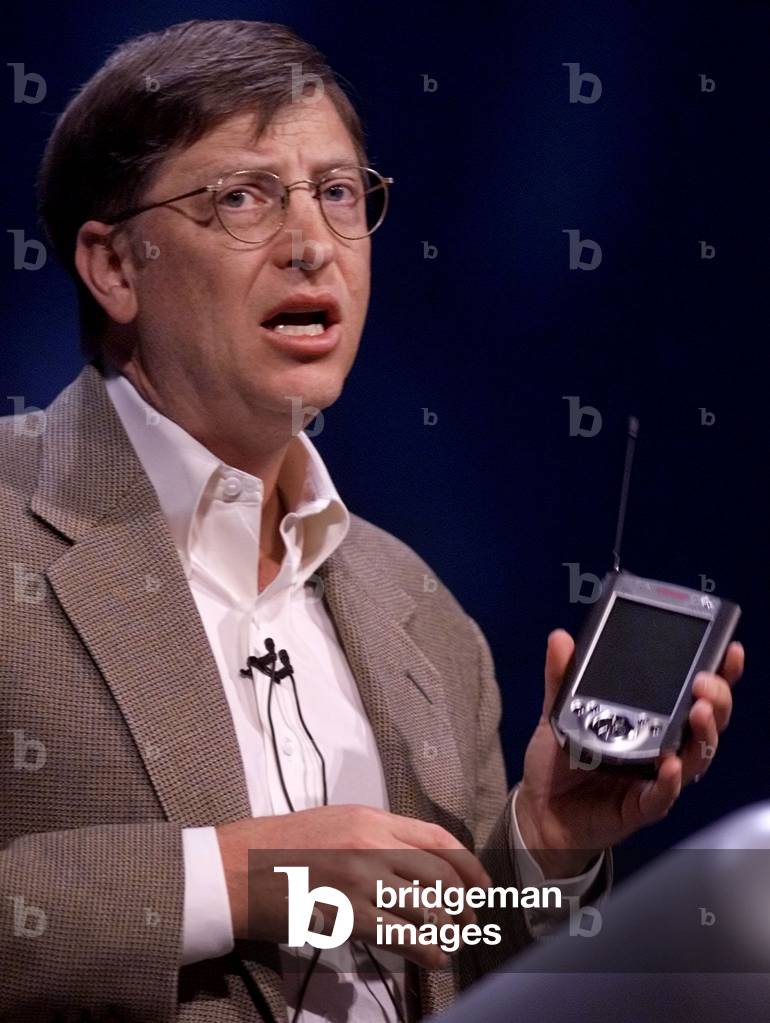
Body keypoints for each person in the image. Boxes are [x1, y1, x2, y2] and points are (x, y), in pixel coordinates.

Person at [0, 19, 741, 1023]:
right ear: (116, 267)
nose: (312, 245)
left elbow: (466, 969)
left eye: (338, 195)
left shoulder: (418, 612)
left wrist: (542, 849)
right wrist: (231, 880)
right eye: (241, 197)